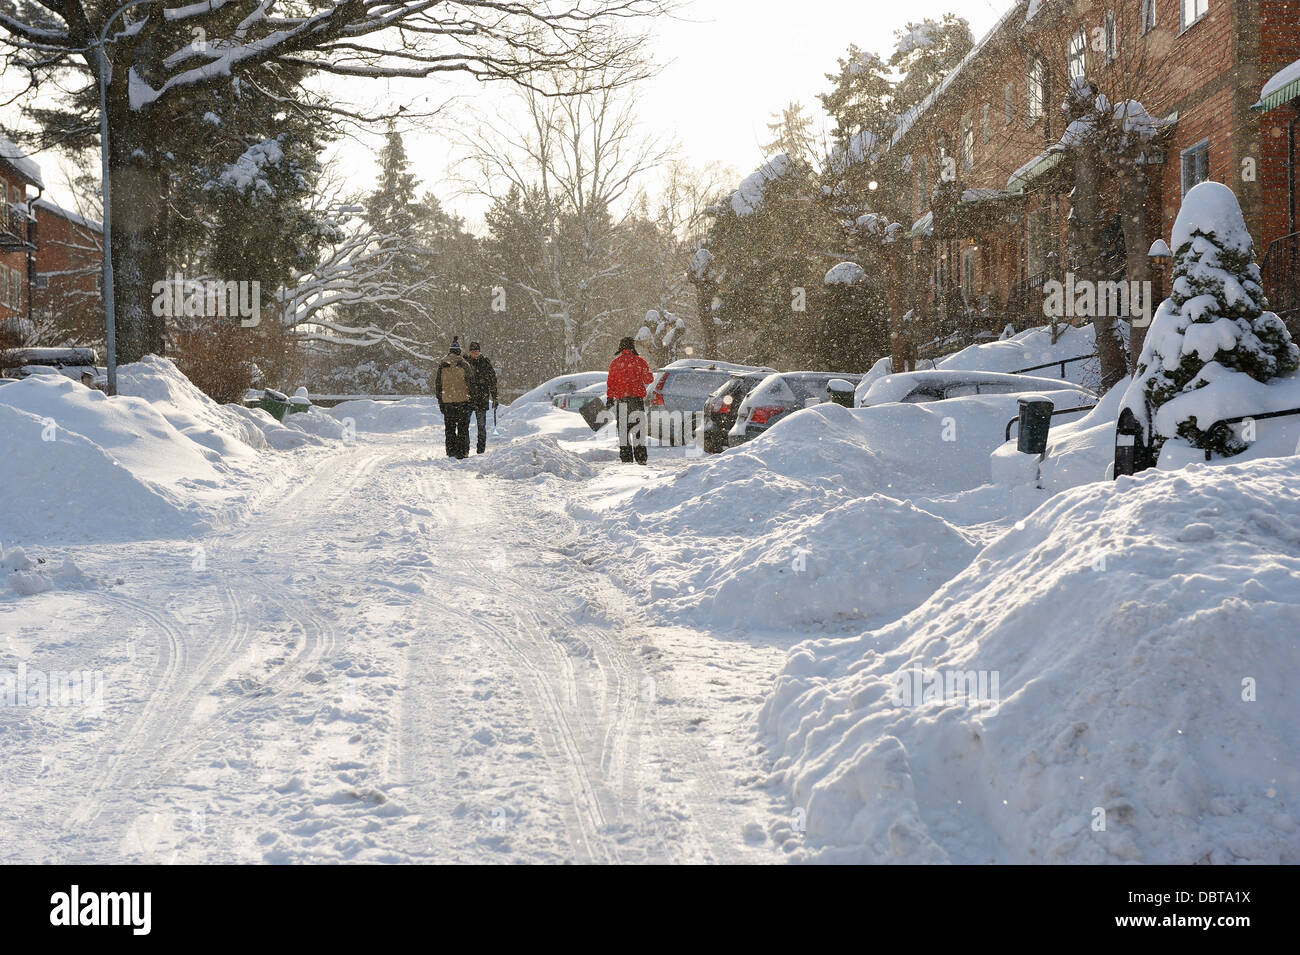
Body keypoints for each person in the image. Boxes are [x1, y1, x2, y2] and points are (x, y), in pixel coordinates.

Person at [606, 336, 654, 465]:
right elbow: (648, 380)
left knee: (623, 431)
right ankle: (641, 458)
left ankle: (626, 459)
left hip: (622, 401)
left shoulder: (615, 363)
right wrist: (648, 373)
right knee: (638, 430)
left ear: (621, 348)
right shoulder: (640, 361)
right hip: (637, 401)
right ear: (633, 347)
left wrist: (610, 398)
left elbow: (611, 383)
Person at [435, 337, 475, 459]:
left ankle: (451, 451)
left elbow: (438, 385)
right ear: (459, 352)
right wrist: (471, 398)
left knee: (450, 428)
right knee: (463, 428)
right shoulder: (464, 365)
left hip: (447, 402)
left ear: (450, 351)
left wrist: (440, 400)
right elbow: (471, 383)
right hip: (463, 401)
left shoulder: (442, 365)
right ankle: (462, 451)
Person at [465, 341, 499, 454]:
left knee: (481, 426)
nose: (474, 353)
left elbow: (492, 381)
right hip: (467, 398)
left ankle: (481, 449)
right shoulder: (464, 363)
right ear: (469, 352)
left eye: (476, 351)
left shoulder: (485, 363)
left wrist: (495, 397)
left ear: (479, 352)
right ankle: (465, 449)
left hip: (481, 398)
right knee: (464, 426)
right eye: (472, 351)